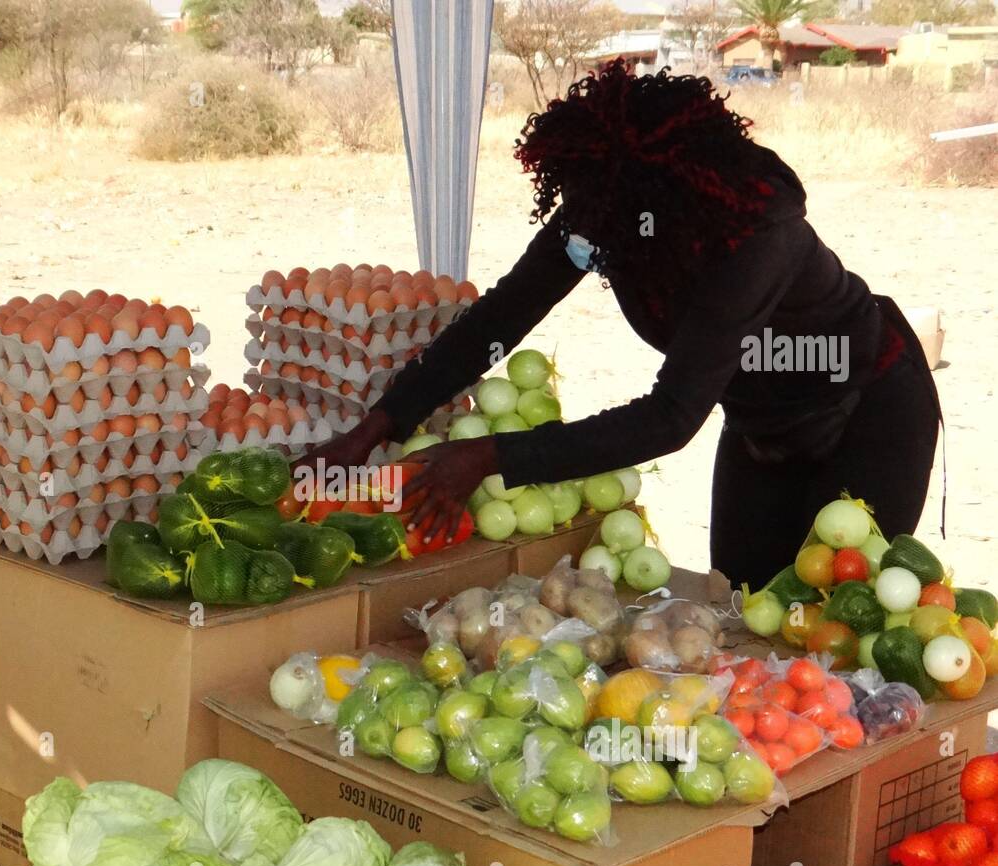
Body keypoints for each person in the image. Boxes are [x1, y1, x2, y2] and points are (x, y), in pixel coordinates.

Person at [297, 62, 941, 589]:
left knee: (839, 611)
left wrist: (493, 455)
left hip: (867, 411)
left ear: (662, 199)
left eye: (601, 208)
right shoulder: (604, 209)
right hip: (759, 427)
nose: (585, 225)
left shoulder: (757, 239)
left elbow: (671, 416)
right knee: (740, 606)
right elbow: (499, 318)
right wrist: (379, 425)